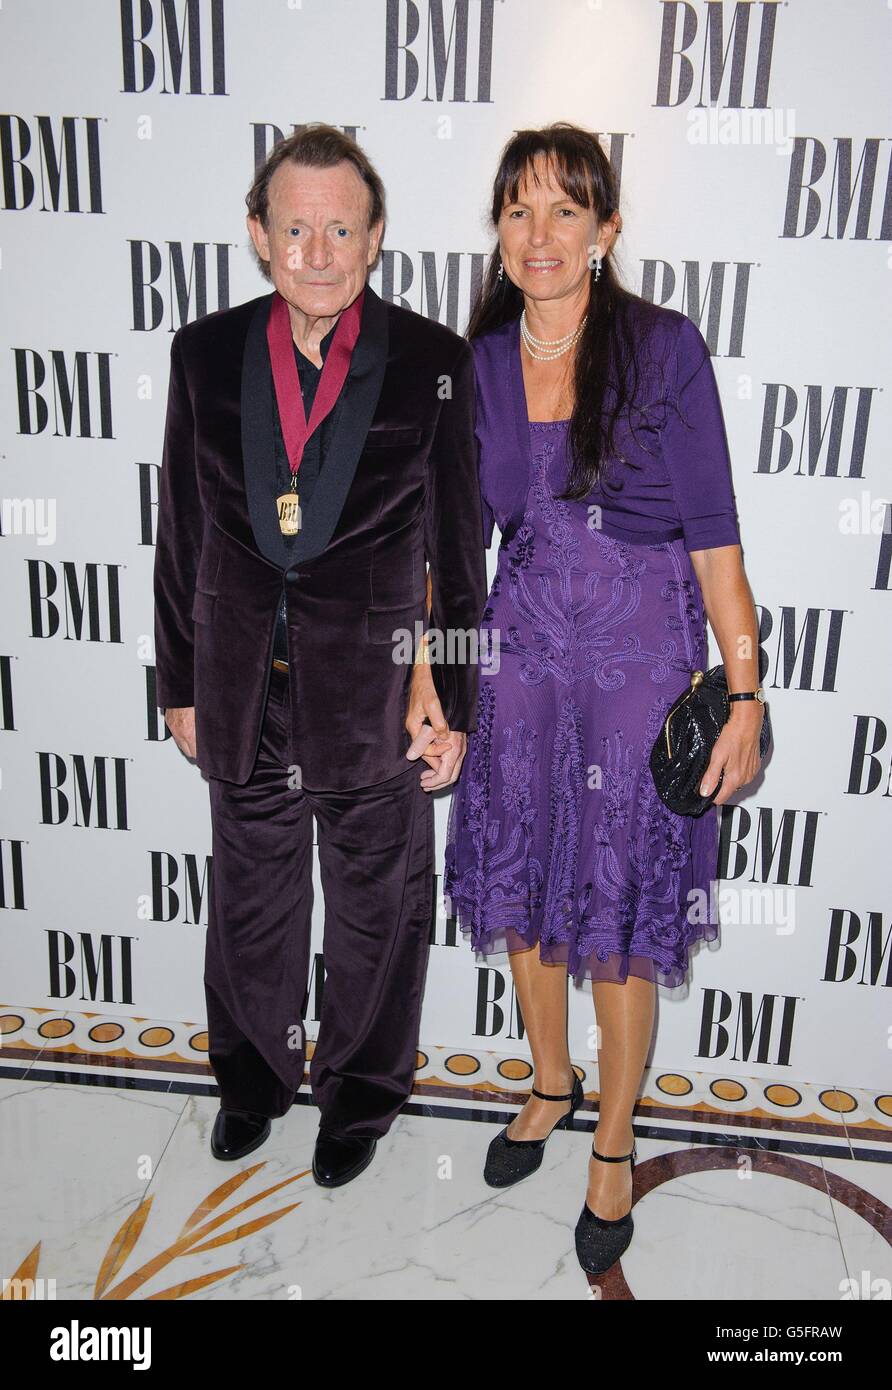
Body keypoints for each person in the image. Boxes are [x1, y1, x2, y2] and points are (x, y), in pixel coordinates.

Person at [443, 123, 767, 1275]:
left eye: (565, 211)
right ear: (498, 227)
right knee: (526, 890)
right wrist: (433, 690)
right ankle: (548, 1079)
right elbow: (448, 544)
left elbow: (716, 534)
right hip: (521, 665)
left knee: (622, 916)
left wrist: (742, 690)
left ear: (605, 230)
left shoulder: (662, 349)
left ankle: (616, 1136)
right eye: (519, 210)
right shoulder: (476, 364)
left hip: (639, 667)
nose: (539, 235)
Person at [153, 125, 486, 1187]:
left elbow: (460, 546)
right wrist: (177, 681)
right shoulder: (203, 353)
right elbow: (183, 529)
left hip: (378, 695)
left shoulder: (434, 362)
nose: (318, 251)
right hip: (238, 686)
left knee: (378, 910)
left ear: (376, 235)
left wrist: (461, 699)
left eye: (341, 227)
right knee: (250, 904)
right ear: (259, 236)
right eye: (294, 228)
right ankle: (251, 1080)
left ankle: (361, 1096)